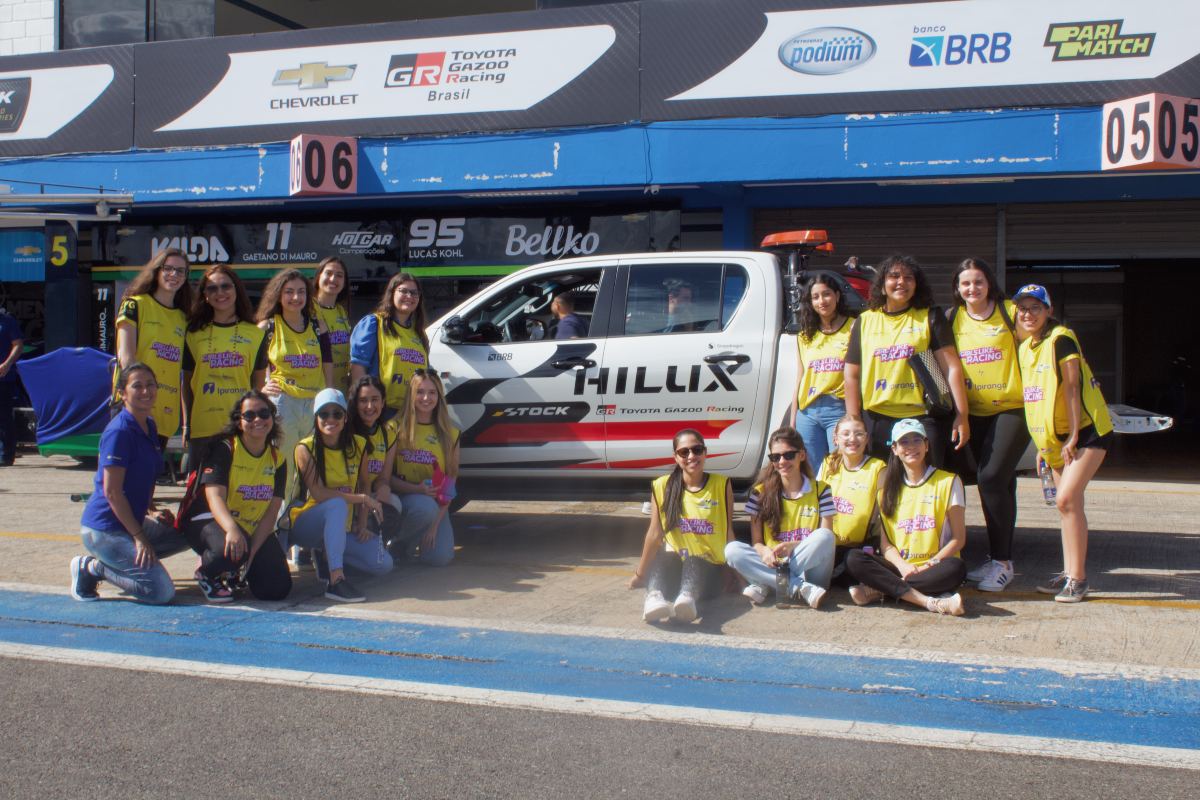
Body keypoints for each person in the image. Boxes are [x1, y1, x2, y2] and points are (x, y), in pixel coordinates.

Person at [1014, 284, 1112, 603]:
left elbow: (1072, 387)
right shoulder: (1026, 347)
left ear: (1049, 311)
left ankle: (1079, 579)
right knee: (1068, 508)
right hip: (1054, 438)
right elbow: (1036, 399)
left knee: (1066, 500)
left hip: (1085, 431)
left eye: (1035, 308)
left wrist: (1071, 436)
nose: (1028, 314)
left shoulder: (1061, 338)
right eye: (1023, 308)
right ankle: (1070, 575)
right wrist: (1045, 448)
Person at [69, 363, 189, 604]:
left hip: (131, 523)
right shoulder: (119, 432)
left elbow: (143, 478)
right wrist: (140, 537)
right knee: (161, 592)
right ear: (122, 393)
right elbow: (112, 492)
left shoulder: (149, 425)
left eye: (150, 385)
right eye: (137, 386)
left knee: (189, 534)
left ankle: (125, 562)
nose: (146, 391)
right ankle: (91, 568)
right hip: (106, 529)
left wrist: (152, 510)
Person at [947, 258, 1030, 593]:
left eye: (978, 282)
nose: (972, 289)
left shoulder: (1010, 312)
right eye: (965, 283)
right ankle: (997, 559)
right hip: (972, 412)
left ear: (989, 283)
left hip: (1012, 408)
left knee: (991, 477)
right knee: (999, 482)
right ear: (957, 288)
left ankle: (1003, 562)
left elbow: (1038, 343)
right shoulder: (952, 318)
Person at [843, 254, 970, 466]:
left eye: (909, 277)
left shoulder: (930, 316)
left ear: (916, 284)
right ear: (882, 285)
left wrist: (962, 414)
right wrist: (855, 420)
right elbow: (851, 375)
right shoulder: (865, 321)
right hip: (877, 418)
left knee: (925, 485)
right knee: (884, 487)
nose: (901, 282)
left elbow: (951, 368)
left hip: (924, 416)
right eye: (894, 276)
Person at [844, 418, 967, 615]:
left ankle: (880, 590)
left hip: (935, 566)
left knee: (956, 567)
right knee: (854, 558)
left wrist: (930, 563)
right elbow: (886, 546)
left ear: (927, 445)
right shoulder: (886, 491)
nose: (911, 447)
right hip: (901, 568)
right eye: (904, 442)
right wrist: (903, 567)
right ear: (894, 449)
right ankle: (929, 602)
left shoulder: (949, 481)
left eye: (916, 440)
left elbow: (958, 539)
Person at [180, 391, 290, 602]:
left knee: (277, 589)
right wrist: (231, 529)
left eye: (264, 413)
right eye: (249, 415)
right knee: (227, 550)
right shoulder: (226, 449)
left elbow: (272, 510)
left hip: (249, 526)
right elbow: (215, 498)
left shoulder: (278, 459)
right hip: (209, 519)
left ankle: (235, 571)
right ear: (239, 422)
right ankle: (207, 572)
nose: (258, 419)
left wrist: (252, 554)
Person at [284, 388, 391, 603]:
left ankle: (329, 555)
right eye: (324, 414)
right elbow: (318, 493)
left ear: (345, 417)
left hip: (340, 526)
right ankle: (336, 579)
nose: (330, 419)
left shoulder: (359, 445)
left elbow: (364, 483)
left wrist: (361, 523)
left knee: (383, 564)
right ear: (316, 418)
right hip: (306, 523)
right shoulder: (305, 448)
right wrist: (362, 500)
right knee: (336, 504)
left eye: (337, 413)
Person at [628, 429, 734, 623]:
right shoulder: (662, 486)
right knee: (664, 555)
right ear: (675, 457)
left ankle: (687, 599)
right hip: (674, 569)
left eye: (697, 450)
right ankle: (654, 598)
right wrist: (640, 575)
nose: (691, 456)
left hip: (709, 572)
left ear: (705, 452)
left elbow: (729, 533)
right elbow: (654, 535)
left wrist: (737, 577)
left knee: (695, 560)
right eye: (684, 452)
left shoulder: (722, 484)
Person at [724, 427, 835, 609]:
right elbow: (757, 543)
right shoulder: (760, 493)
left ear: (802, 455)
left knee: (825, 536)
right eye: (775, 457)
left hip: (810, 570)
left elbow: (827, 540)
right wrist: (765, 552)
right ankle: (796, 587)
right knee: (732, 550)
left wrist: (794, 546)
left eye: (788, 455)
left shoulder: (821, 490)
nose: (782, 461)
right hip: (775, 564)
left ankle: (768, 584)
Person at [255, 268, 333, 501]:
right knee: (285, 464)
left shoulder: (318, 327)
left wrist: (327, 395)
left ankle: (305, 517)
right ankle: (281, 521)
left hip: (314, 403)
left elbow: (327, 363)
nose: (296, 298)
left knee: (312, 465)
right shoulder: (267, 327)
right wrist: (260, 390)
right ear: (278, 295)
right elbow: (255, 367)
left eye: (301, 292)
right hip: (283, 403)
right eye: (289, 292)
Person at [181, 265, 267, 470]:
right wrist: (187, 425)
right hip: (203, 428)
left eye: (226, 286)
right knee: (199, 496)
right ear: (205, 296)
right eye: (212, 288)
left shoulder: (256, 335)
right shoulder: (193, 334)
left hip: (241, 429)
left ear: (236, 290)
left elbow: (258, 386)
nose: (220, 292)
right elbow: (187, 384)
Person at [115, 248, 192, 446]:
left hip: (165, 412)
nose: (174, 275)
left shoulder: (183, 318)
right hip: (134, 408)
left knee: (149, 474)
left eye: (180, 271)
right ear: (157, 270)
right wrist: (141, 394)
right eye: (168, 268)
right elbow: (126, 357)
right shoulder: (134, 305)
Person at [385, 370, 459, 566]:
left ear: (439, 396)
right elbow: (384, 479)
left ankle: (411, 542)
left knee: (439, 558)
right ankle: (399, 544)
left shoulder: (451, 434)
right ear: (411, 394)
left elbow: (449, 488)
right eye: (420, 392)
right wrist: (417, 489)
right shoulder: (394, 428)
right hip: (406, 500)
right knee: (424, 508)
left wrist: (434, 526)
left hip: (437, 506)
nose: (426, 398)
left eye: (432, 392)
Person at [788, 272, 853, 467]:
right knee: (811, 472)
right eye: (815, 297)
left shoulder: (854, 327)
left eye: (826, 294)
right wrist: (793, 420)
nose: (821, 301)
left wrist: (853, 416)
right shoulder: (805, 335)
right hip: (807, 413)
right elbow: (800, 377)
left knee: (839, 468)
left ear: (837, 296)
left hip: (839, 410)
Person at [817, 415, 887, 585]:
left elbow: (886, 516)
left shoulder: (878, 468)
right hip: (828, 545)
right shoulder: (829, 462)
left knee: (852, 563)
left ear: (867, 438)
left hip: (858, 547)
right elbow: (815, 504)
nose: (852, 439)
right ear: (835, 438)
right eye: (846, 434)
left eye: (858, 434)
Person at [349, 272, 429, 415]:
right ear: (391, 293)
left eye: (414, 293)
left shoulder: (419, 333)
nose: (409, 296)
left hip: (410, 412)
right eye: (403, 291)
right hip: (379, 410)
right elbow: (358, 367)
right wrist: (365, 405)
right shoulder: (374, 323)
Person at [347, 375, 399, 542]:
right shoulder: (346, 432)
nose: (369, 406)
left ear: (383, 403)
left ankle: (381, 544)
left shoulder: (388, 433)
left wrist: (384, 486)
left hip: (369, 498)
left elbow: (383, 477)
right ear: (355, 403)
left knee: (394, 502)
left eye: (375, 399)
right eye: (363, 400)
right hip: (347, 498)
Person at [312, 256, 353, 393]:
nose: (333, 279)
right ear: (318, 276)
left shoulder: (341, 311)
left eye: (339, 275)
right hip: (315, 390)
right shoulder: (306, 309)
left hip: (340, 390)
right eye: (328, 273)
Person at [0, 301, 23, 466]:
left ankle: (6, 455)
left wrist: (7, 363)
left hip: (3, 377)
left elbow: (18, 345)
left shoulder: (7, 321)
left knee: (4, 416)